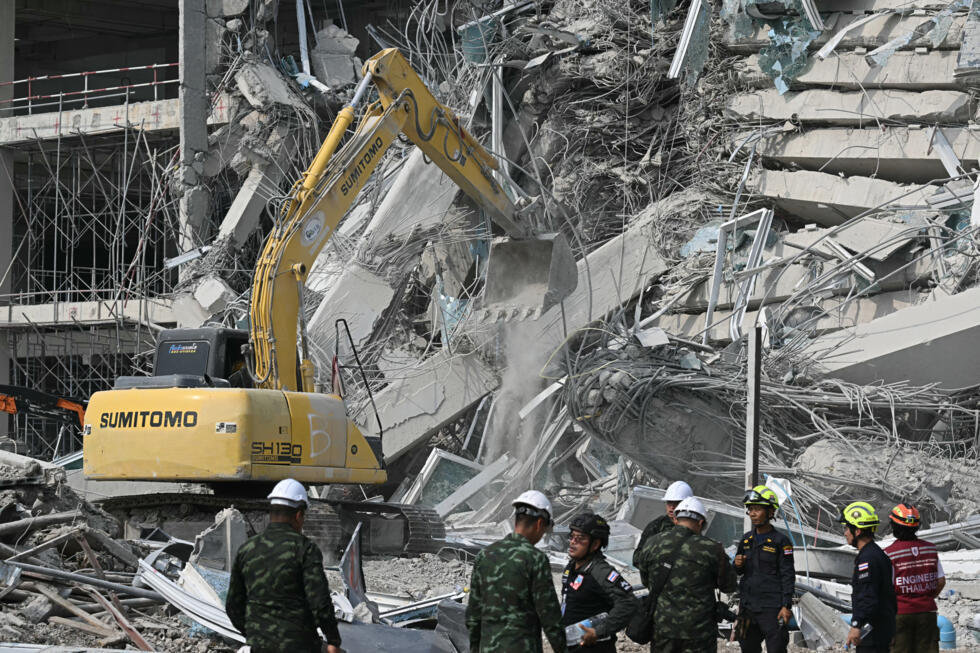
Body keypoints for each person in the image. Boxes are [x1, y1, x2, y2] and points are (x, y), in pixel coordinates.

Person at [225, 479, 341, 653]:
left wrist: (255, 634)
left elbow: (233, 606)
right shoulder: (305, 549)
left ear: (271, 513)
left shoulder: (247, 549)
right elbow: (320, 602)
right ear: (298, 515)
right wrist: (333, 640)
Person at [466, 490, 565, 653]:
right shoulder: (535, 559)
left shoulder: (484, 555)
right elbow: (550, 617)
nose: (542, 535)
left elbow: (473, 614)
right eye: (544, 530)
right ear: (540, 524)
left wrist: (475, 648)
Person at [634, 496, 737, 653]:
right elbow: (729, 586)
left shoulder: (652, 543)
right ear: (701, 523)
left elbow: (646, 581)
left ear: (676, 519)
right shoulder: (712, 549)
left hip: (663, 628)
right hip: (699, 631)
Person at [560, 512, 639, 652]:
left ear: (595, 544)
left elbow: (629, 603)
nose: (572, 542)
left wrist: (599, 632)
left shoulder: (601, 572)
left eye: (580, 539)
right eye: (571, 536)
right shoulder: (571, 567)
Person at [734, 485, 795, 653]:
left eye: (757, 509)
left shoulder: (781, 542)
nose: (752, 514)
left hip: (772, 609)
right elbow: (738, 572)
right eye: (750, 509)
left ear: (770, 512)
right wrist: (737, 565)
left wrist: (786, 606)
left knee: (776, 649)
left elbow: (788, 575)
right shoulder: (746, 540)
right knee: (747, 649)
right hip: (748, 608)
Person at [884, 503, 945, 653]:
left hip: (900, 614)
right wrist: (925, 596)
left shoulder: (889, 554)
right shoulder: (931, 549)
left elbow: (885, 589)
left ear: (894, 526)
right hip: (927, 613)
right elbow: (941, 581)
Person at [839, 501, 897, 653]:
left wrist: (856, 625)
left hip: (873, 632)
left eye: (847, 528)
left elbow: (867, 596)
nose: (845, 533)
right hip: (883, 628)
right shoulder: (877, 554)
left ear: (857, 531)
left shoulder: (867, 559)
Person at [633, 480, 693, 565]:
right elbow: (637, 557)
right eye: (669, 502)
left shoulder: (694, 527)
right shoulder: (656, 526)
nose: (672, 507)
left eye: (676, 503)